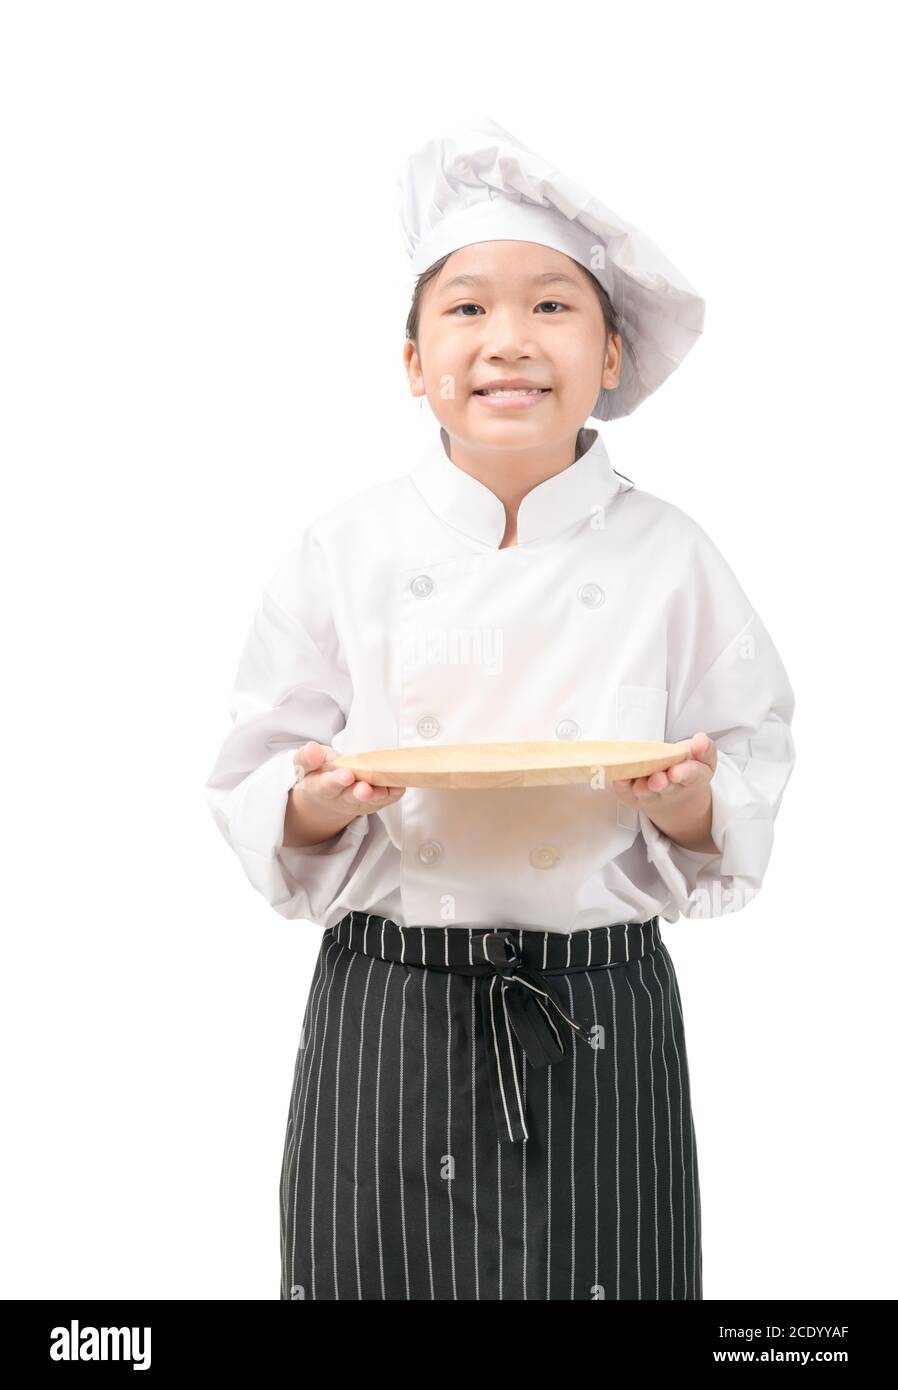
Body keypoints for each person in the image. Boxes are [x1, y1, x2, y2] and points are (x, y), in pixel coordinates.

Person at [204, 115, 797, 1301]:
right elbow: (253, 773)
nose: (508, 340)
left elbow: (747, 768)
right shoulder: (344, 548)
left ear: (612, 354)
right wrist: (312, 803)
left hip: (597, 1006)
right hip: (391, 1003)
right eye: (467, 308)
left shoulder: (671, 557)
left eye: (551, 306)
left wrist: (689, 800)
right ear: (413, 360)